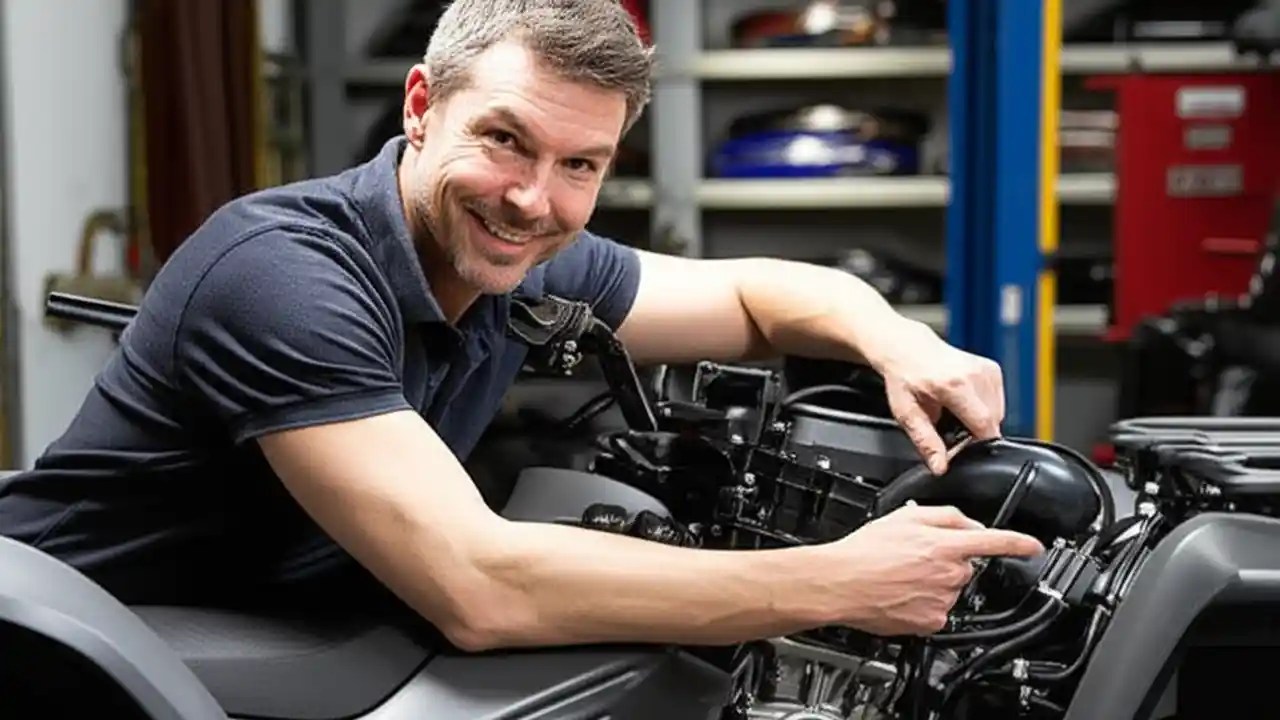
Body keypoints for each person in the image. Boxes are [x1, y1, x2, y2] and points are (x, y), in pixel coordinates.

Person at [0, 0, 1041, 651]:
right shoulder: (281, 271)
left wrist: (900, 339)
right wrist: (831, 583)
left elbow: (749, 298)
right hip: (79, 648)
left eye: (578, 165)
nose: (532, 201)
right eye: (504, 139)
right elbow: (478, 589)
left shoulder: (521, 259)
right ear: (419, 106)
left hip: (259, 622)